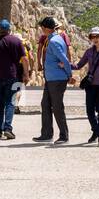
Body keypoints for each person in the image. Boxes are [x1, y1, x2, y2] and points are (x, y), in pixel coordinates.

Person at [33, 16, 72, 144]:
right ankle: (46, 134)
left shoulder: (54, 41)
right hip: (51, 79)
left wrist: (69, 75)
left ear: (45, 28)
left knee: (57, 107)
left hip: (57, 79)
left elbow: (64, 59)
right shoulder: (52, 39)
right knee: (45, 104)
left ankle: (64, 136)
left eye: (41, 27)